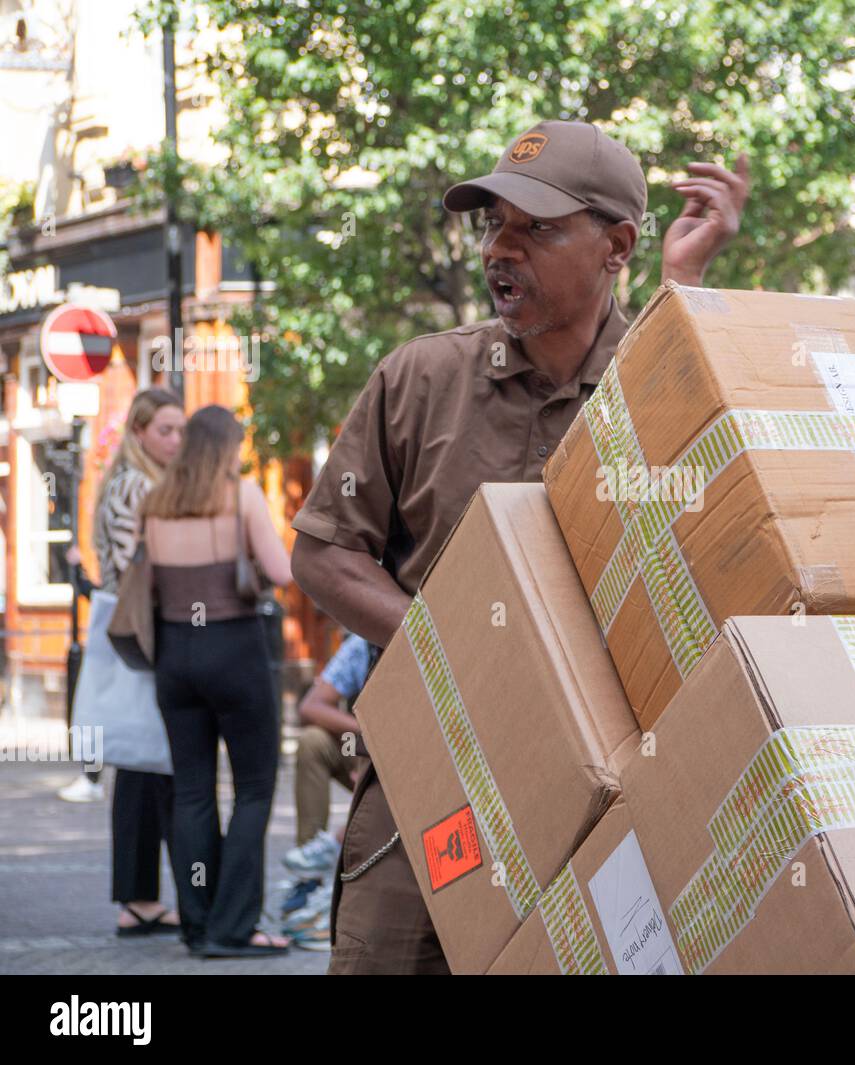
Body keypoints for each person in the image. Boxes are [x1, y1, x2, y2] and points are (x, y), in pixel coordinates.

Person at [290, 119, 748, 974]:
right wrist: (447, 639)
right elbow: (324, 554)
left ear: (617, 245)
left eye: (536, 228)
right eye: (493, 224)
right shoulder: (418, 379)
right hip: (430, 783)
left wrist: (681, 288)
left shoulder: (655, 378)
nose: (502, 249)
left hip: (615, 796)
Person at [141, 405, 294, 957]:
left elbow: (144, 582)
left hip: (175, 653)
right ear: (225, 448)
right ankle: (235, 927)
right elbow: (281, 573)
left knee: (191, 791)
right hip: (234, 650)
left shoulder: (155, 502)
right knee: (253, 789)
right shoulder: (242, 496)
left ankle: (198, 923)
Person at [66, 389, 187, 933]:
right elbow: (134, 565)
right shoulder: (137, 485)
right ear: (139, 432)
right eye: (165, 430)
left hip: (127, 627)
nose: (176, 441)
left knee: (144, 761)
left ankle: (139, 896)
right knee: (143, 760)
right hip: (136, 630)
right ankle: (138, 899)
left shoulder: (134, 481)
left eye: (181, 431)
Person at [278, 632, 369, 950]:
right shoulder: (362, 642)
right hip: (368, 748)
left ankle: (333, 846)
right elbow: (312, 706)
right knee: (312, 741)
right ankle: (311, 874)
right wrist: (368, 734)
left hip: (414, 759)